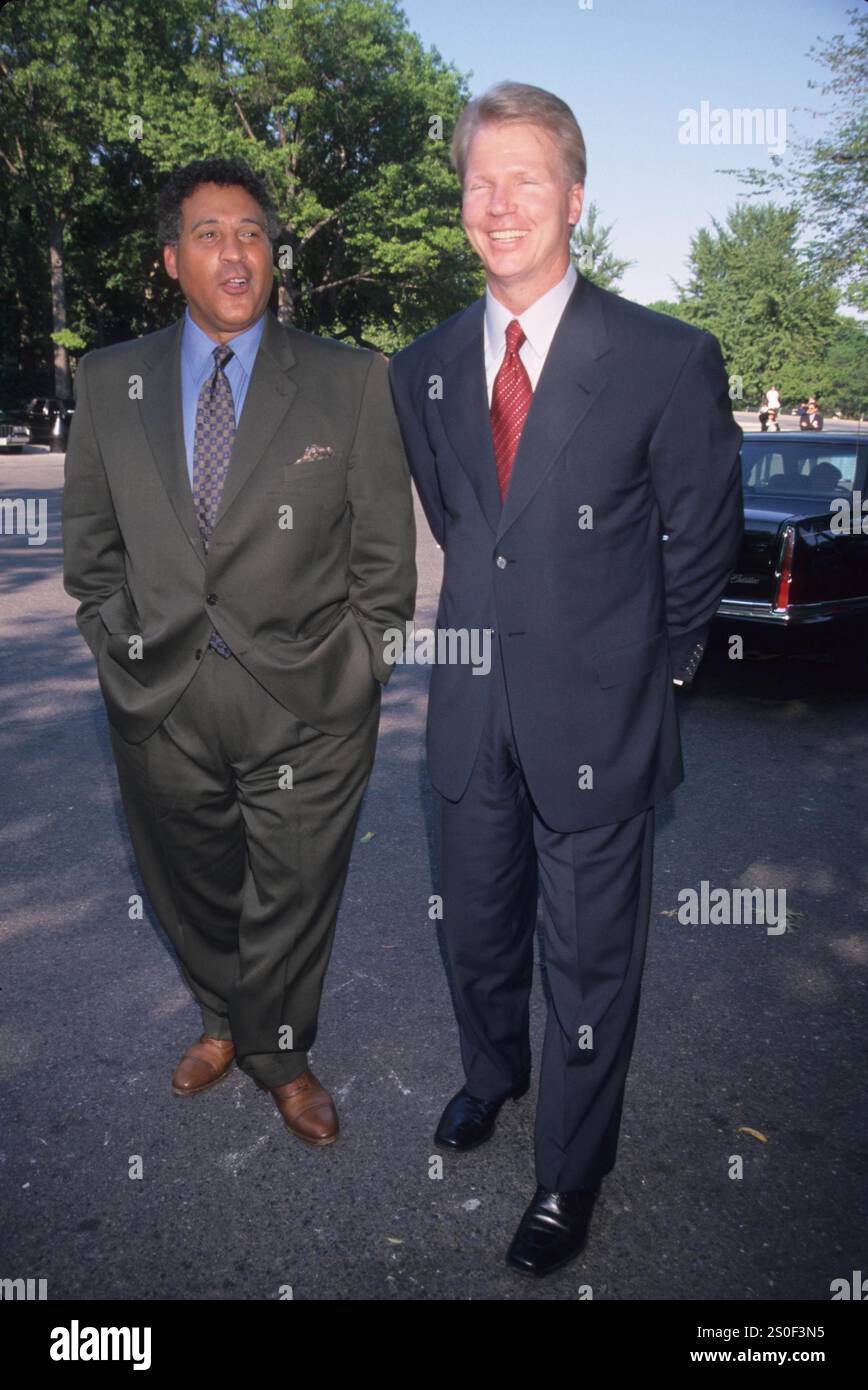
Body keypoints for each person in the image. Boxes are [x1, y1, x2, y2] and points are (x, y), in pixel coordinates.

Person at [389, 82, 743, 1277]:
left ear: (574, 198)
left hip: (599, 721)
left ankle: (568, 1172)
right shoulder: (424, 367)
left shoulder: (662, 358)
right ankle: (491, 1074)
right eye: (477, 182)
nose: (498, 204)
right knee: (476, 929)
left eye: (524, 179)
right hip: (466, 708)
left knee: (587, 960)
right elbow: (467, 529)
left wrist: (645, 673)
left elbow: (699, 543)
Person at [63, 158, 417, 1146]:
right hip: (161, 697)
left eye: (253, 233)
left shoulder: (351, 380)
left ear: (274, 255)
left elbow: (385, 564)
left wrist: (360, 672)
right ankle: (223, 1018)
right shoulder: (107, 380)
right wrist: (117, 651)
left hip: (310, 702)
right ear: (170, 259)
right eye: (210, 234)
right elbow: (91, 553)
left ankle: (279, 1053)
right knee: (192, 885)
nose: (235, 253)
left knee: (293, 895)